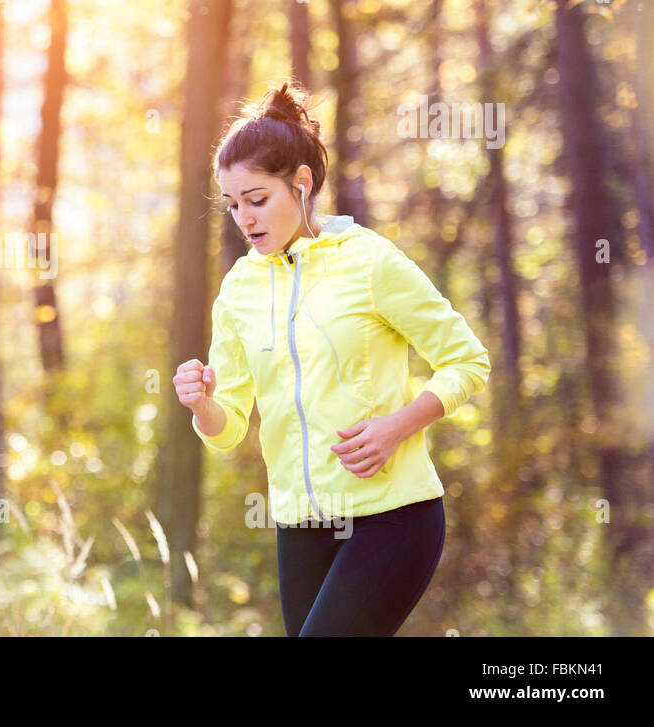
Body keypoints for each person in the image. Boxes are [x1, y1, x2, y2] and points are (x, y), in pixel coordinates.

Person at [172, 81, 491, 636]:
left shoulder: (368, 262)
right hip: (300, 525)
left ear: (301, 184)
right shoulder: (239, 290)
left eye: (257, 199)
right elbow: (227, 429)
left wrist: (397, 427)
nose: (244, 219)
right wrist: (202, 405)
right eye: (232, 206)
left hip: (393, 515)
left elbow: (468, 361)